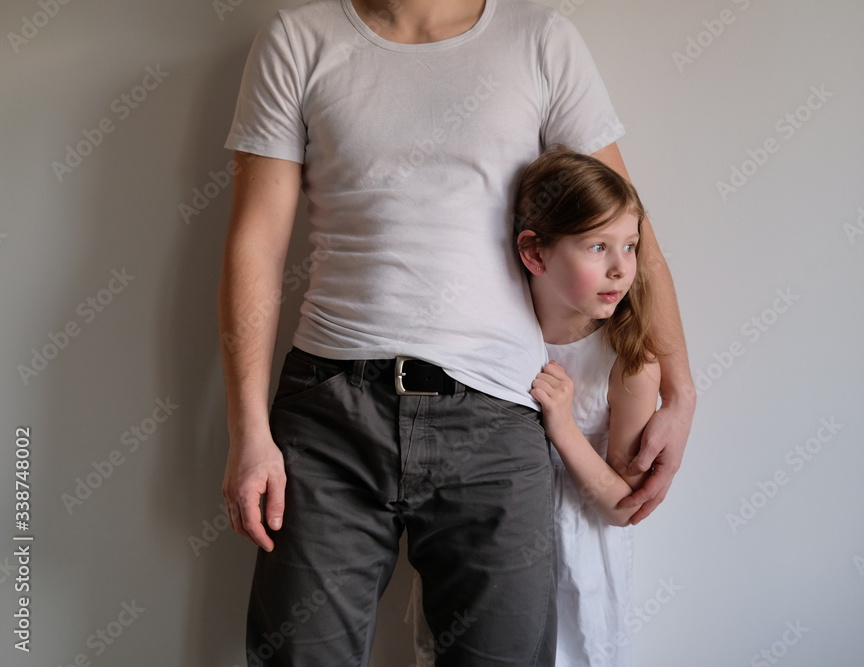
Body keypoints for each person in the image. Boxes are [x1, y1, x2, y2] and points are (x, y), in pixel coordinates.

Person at [218, 1, 696, 665]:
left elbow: (628, 221)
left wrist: (680, 389)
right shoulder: (297, 38)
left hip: (498, 415)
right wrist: (247, 430)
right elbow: (255, 244)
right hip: (328, 412)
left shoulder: (540, 40)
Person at [411, 147, 660, 666]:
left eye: (630, 246)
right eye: (598, 247)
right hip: (481, 542)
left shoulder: (630, 364)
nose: (621, 269)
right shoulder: (484, 336)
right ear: (535, 254)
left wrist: (563, 425)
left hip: (575, 564)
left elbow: (624, 507)